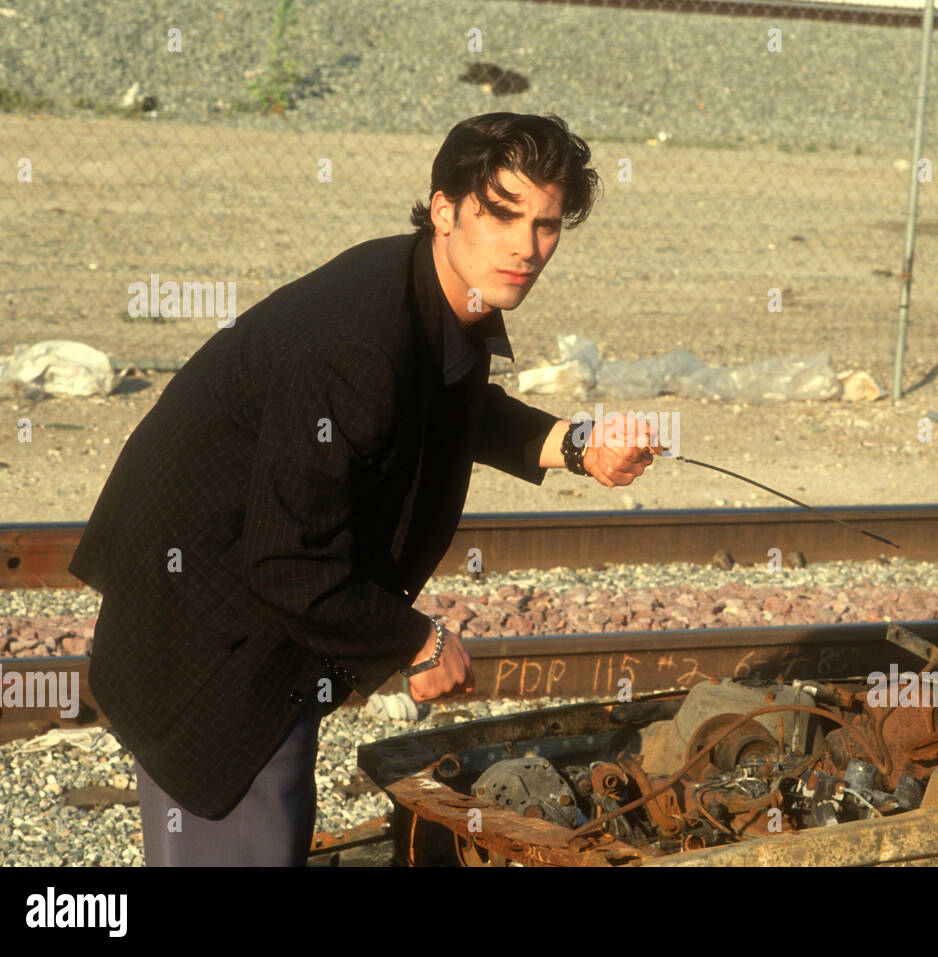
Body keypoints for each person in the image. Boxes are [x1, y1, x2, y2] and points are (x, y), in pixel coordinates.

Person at [68, 112, 658, 865]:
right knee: (251, 834)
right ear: (444, 208)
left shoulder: (431, 290)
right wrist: (419, 638)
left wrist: (576, 447)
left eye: (546, 224)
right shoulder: (357, 343)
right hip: (212, 642)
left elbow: (451, 408)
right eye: (502, 214)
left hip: (240, 607)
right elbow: (287, 564)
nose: (526, 246)